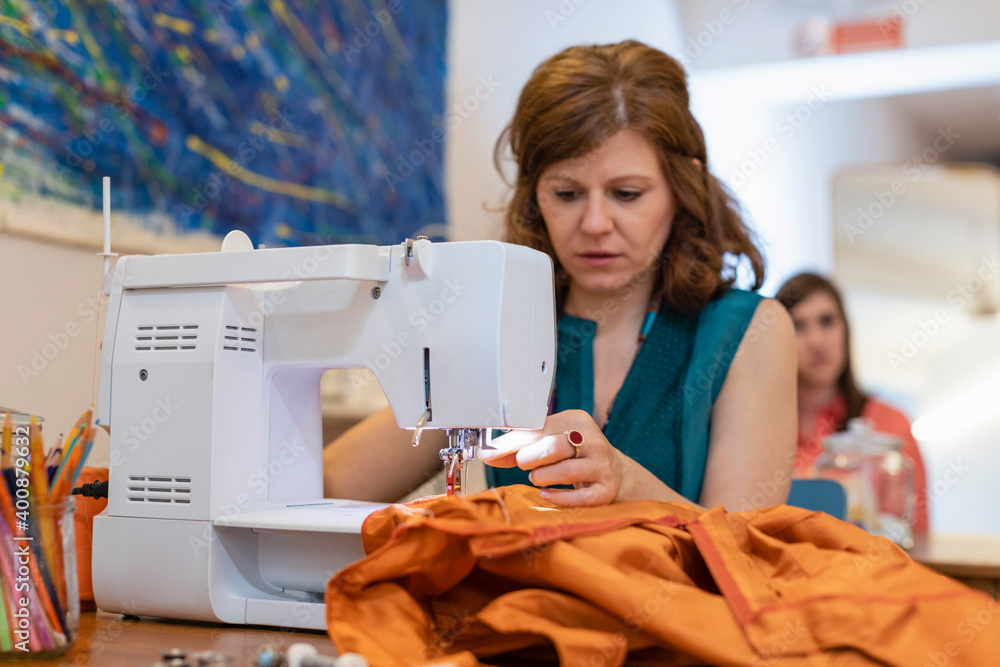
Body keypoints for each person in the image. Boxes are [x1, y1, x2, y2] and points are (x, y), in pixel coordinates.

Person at [324, 40, 796, 509]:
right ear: (535, 197)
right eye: (567, 194)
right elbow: (330, 483)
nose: (594, 224)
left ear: (683, 186)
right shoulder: (489, 332)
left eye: (626, 194)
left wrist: (626, 483)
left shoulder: (749, 333)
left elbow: (745, 553)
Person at [775, 272, 929, 532]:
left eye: (827, 322)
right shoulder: (763, 434)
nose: (815, 340)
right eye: (798, 326)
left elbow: (917, 534)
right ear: (777, 340)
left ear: (845, 329)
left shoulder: (892, 426)